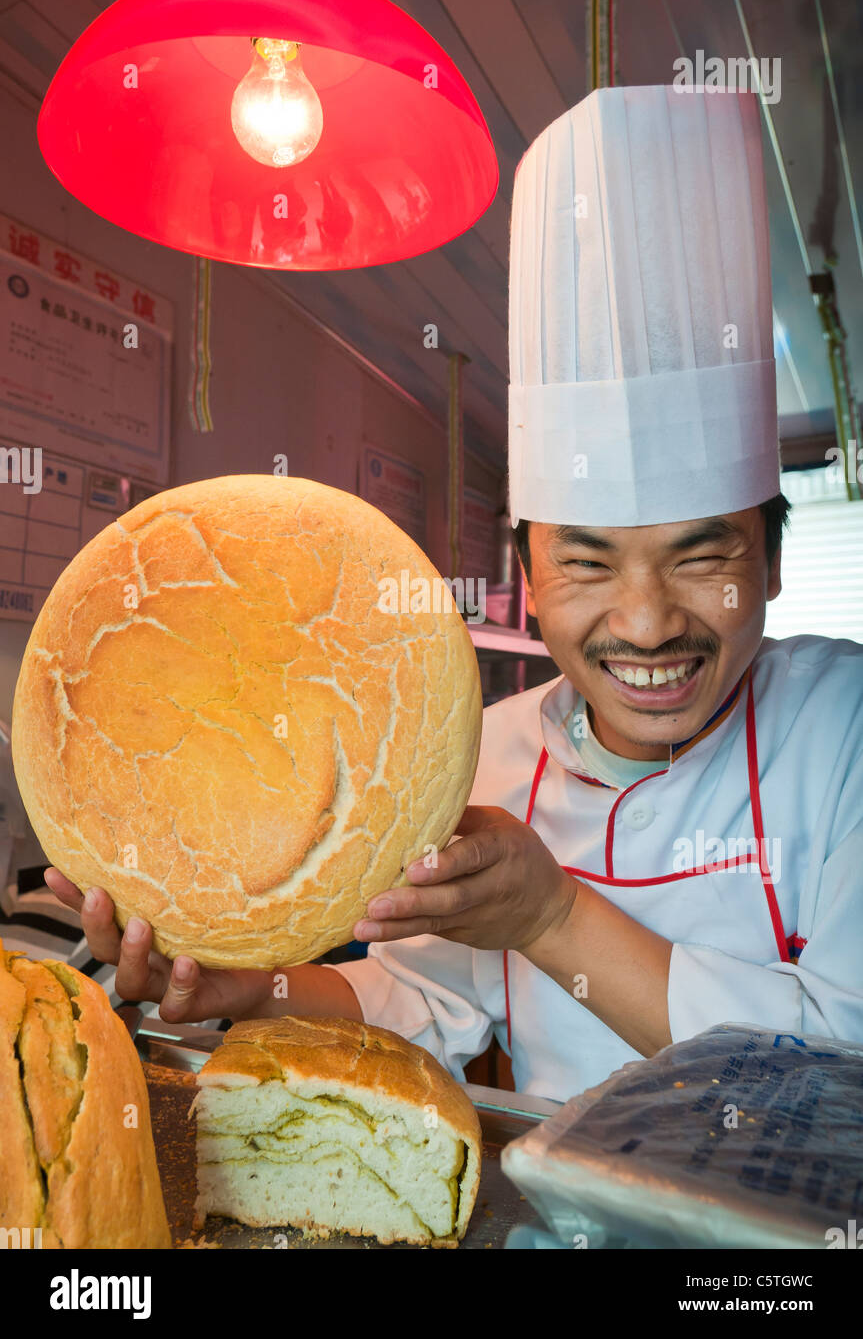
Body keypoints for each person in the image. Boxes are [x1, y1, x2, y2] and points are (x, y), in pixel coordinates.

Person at [45, 86, 863, 1102]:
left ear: (771, 563)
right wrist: (251, 988)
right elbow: (420, 1000)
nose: (646, 623)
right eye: (588, 563)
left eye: (701, 557)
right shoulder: (484, 749)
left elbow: (843, 1071)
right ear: (528, 578)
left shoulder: (842, 725)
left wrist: (552, 918)